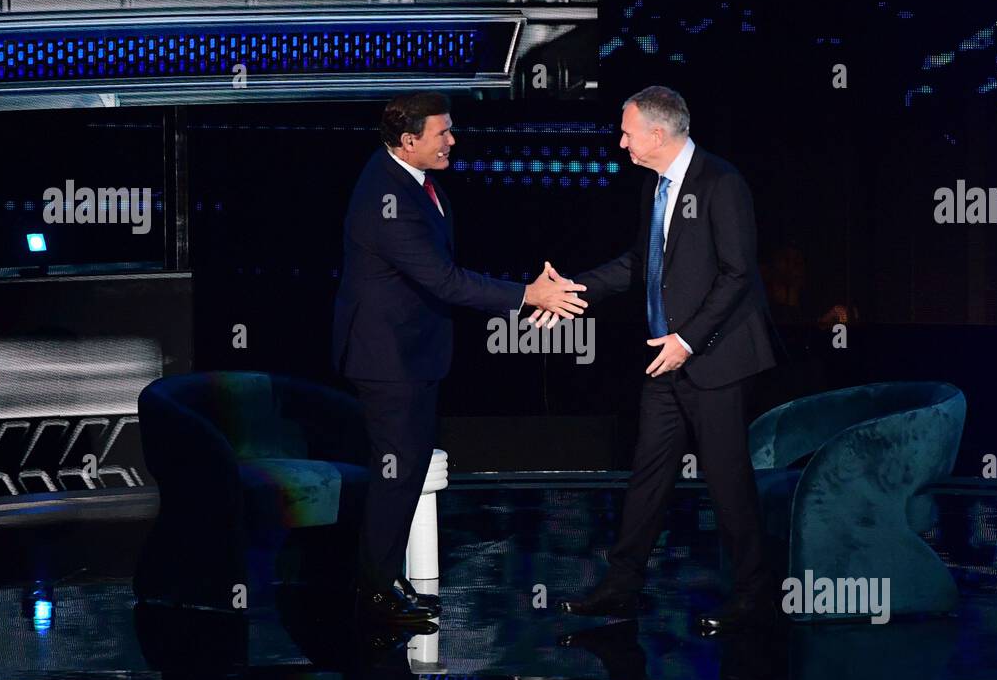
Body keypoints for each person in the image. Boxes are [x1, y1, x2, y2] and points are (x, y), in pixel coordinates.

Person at [332, 91, 587, 626]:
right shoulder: (389, 199)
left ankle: (383, 579)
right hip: (389, 361)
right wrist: (527, 296)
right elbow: (445, 280)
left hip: (413, 355)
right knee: (396, 475)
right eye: (441, 133)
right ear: (408, 141)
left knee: (405, 473)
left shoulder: (408, 180)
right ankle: (373, 593)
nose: (452, 140)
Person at [547, 86, 783, 633]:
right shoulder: (657, 186)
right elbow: (640, 262)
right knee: (647, 476)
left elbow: (737, 274)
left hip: (714, 360)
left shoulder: (721, 183)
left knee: (727, 482)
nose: (621, 141)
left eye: (627, 131)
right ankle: (620, 586)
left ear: (657, 134)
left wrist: (688, 341)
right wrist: (577, 288)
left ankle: (754, 598)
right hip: (664, 361)